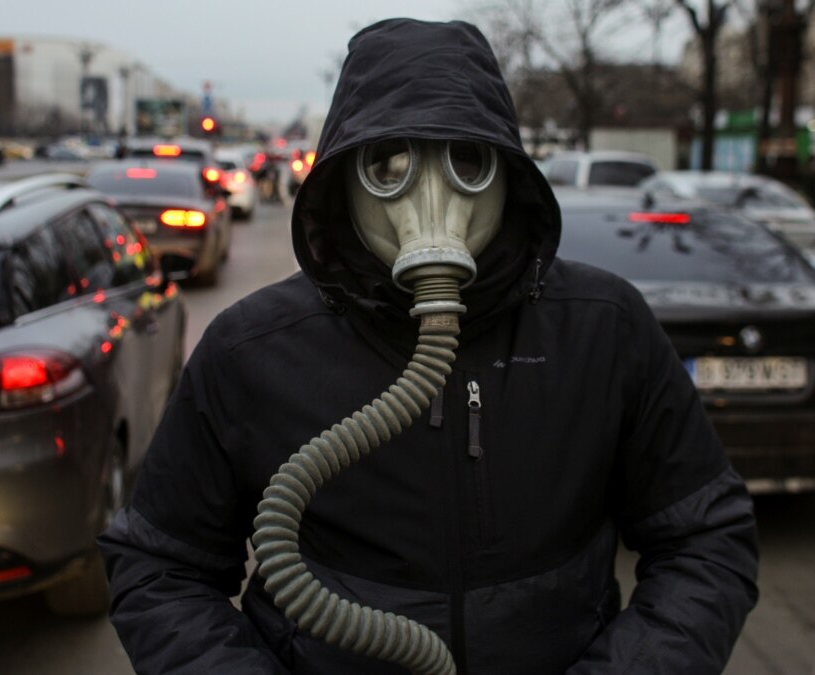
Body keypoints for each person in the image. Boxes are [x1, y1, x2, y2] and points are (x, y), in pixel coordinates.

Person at [98, 18, 758, 675]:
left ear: (508, 177)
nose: (430, 198)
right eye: (389, 165)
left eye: (467, 161)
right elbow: (160, 567)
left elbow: (706, 538)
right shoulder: (252, 350)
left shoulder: (603, 329)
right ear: (344, 184)